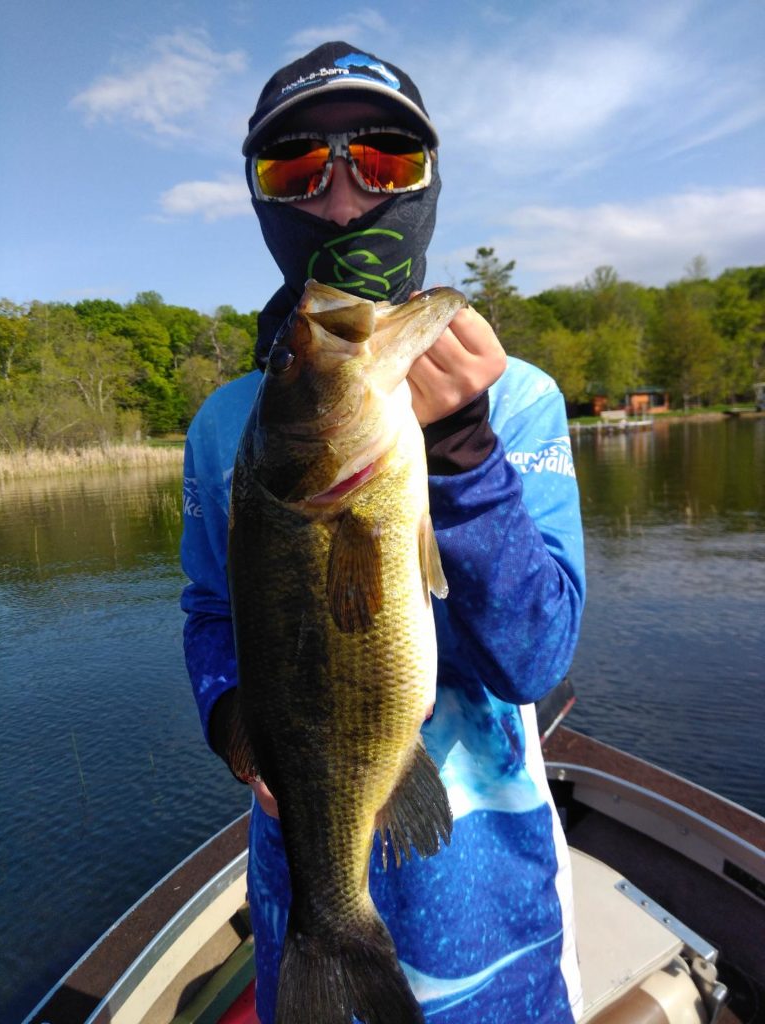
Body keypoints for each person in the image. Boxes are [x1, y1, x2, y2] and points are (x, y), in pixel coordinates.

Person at [181, 41, 586, 1024]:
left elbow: (534, 657)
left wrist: (464, 453)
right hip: (305, 887)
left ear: (426, 182)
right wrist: (241, 723)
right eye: (296, 169)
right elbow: (208, 613)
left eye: (385, 161)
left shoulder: (516, 402)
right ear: (264, 199)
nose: (343, 200)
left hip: (495, 930)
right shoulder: (226, 427)